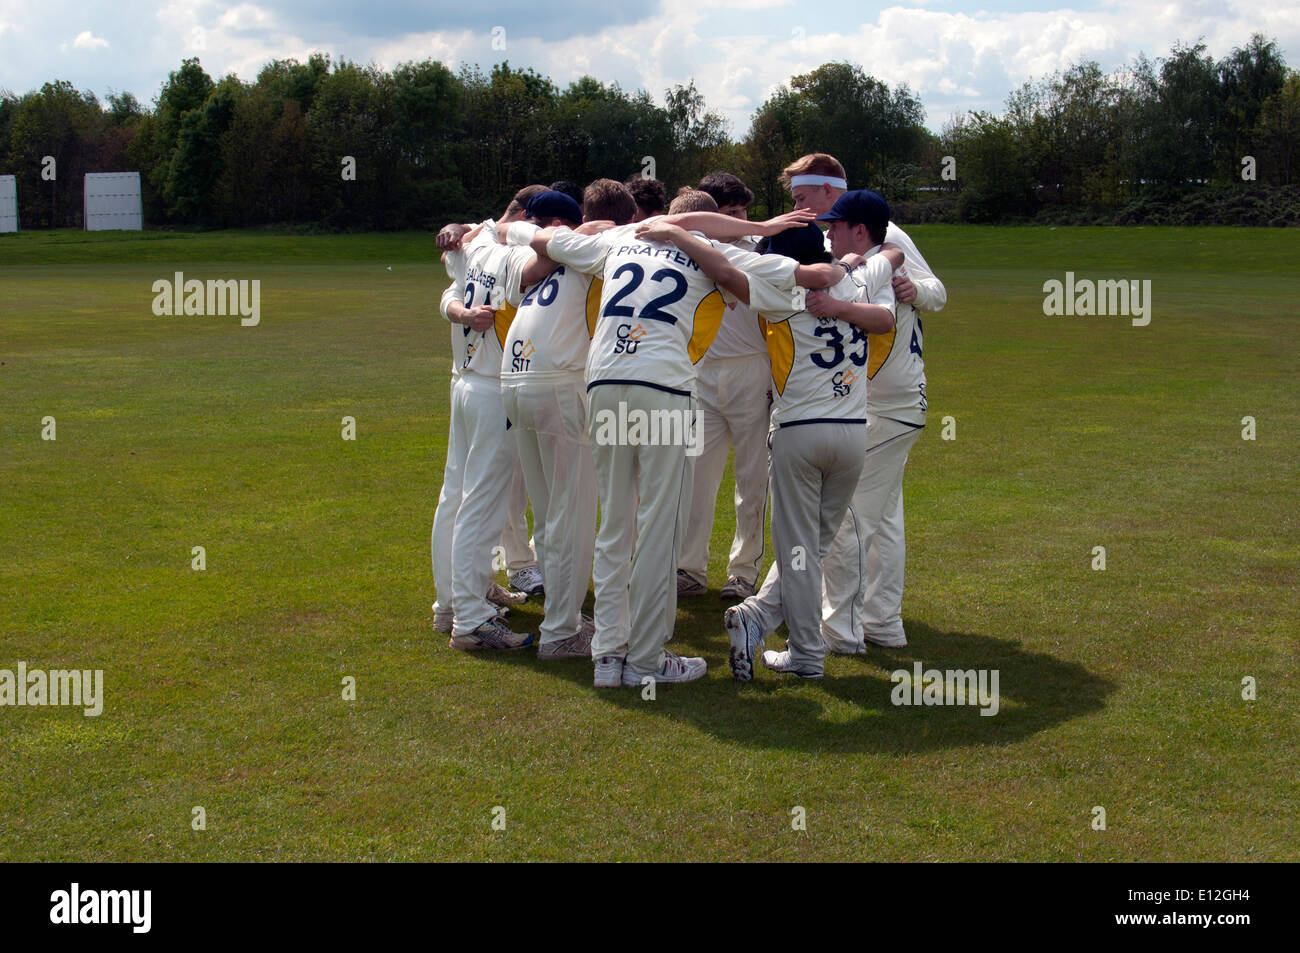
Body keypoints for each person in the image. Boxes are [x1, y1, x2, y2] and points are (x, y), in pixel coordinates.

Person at [782, 153, 946, 652]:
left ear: (829, 194)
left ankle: (839, 629)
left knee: (850, 515)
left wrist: (911, 288)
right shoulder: (848, 236)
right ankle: (881, 621)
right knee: (884, 516)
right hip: (874, 399)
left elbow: (936, 293)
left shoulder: (885, 234)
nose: (798, 207)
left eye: (802, 197)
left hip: (885, 399)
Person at [439, 185, 558, 650]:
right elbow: (536, 268)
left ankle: (450, 604)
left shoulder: (472, 242)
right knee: (481, 504)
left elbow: (447, 288)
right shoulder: (509, 249)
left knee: (457, 497)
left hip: (465, 383)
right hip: (493, 388)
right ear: (527, 218)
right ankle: (470, 620)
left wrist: (460, 309)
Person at [675, 171, 771, 602]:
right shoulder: (686, 252)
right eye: (727, 215)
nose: (736, 223)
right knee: (694, 478)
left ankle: (743, 571)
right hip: (703, 373)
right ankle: (688, 568)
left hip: (754, 372)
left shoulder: (760, 252)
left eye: (741, 213)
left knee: (752, 481)